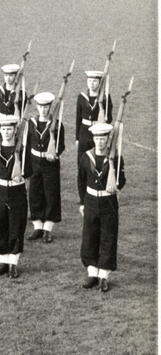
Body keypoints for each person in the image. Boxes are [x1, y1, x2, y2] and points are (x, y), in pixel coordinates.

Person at [77, 123, 125, 292]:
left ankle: (104, 276)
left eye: (102, 138)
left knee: (108, 238)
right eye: (97, 138)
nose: (99, 142)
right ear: (93, 139)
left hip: (108, 204)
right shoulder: (86, 157)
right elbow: (81, 180)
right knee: (90, 237)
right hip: (90, 201)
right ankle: (92, 273)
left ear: (107, 140)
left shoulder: (115, 158)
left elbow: (122, 180)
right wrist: (82, 203)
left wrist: (116, 183)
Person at [0, 115, 33, 278]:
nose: (6, 132)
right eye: (4, 129)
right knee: (0, 226)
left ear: (15, 130)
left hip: (17, 192)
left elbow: (30, 170)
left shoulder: (23, 148)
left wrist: (21, 172)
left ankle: (13, 263)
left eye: (10, 129)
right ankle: (3, 261)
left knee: (16, 226)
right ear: (0, 130)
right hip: (0, 191)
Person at [26, 92, 65, 243]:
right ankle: (37, 226)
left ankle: (48, 228)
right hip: (35, 162)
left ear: (50, 107)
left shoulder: (57, 125)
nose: (43, 110)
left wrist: (54, 152)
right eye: (41, 106)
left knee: (51, 194)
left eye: (46, 107)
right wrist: (27, 166)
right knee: (35, 193)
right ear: (37, 107)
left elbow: (61, 145)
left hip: (50, 165)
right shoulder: (31, 123)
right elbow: (27, 144)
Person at [75, 70, 113, 161]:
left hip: (97, 133)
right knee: (82, 159)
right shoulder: (82, 97)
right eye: (89, 81)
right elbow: (78, 118)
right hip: (84, 132)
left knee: (96, 159)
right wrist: (77, 137)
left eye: (95, 81)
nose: (92, 84)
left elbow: (109, 118)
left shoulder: (105, 97)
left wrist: (103, 107)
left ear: (100, 82)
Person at [0, 64, 26, 140]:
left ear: (15, 76)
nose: (8, 78)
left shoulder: (21, 93)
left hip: (15, 125)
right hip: (2, 125)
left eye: (11, 75)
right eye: (6, 75)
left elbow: (23, 111)